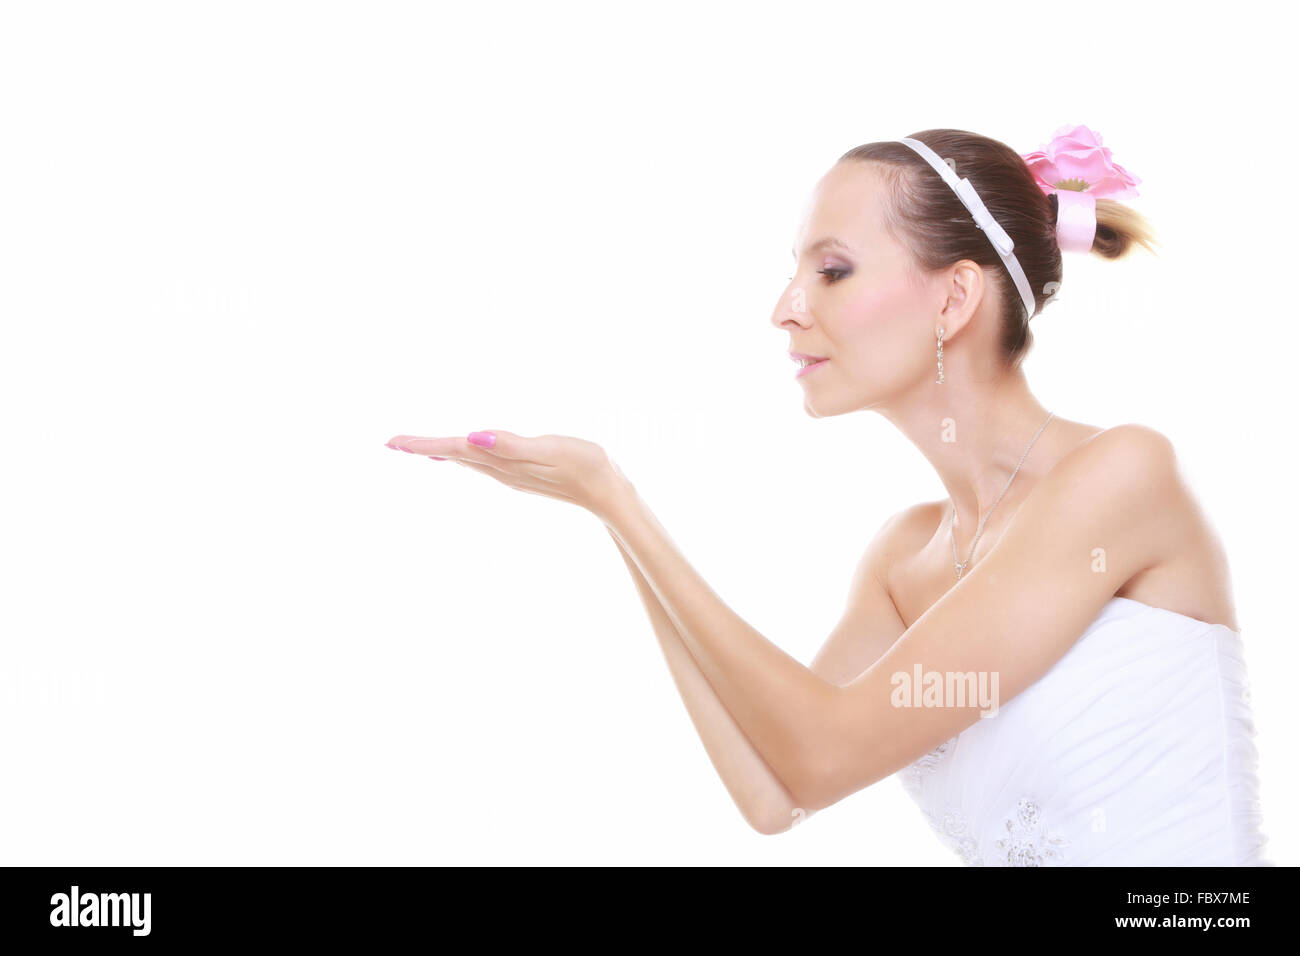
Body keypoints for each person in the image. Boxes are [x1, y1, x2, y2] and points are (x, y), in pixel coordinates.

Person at [386, 126, 1272, 866]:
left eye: (833, 270)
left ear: (955, 297)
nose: (785, 307)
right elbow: (774, 791)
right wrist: (611, 508)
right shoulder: (905, 559)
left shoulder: (1121, 477)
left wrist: (621, 506)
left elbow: (819, 755)